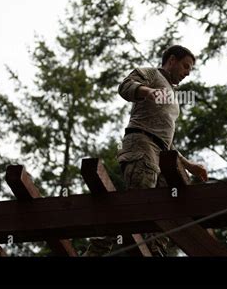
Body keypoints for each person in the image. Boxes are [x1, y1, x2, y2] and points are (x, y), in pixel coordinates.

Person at [82, 45, 208, 257]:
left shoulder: (172, 96)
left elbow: (166, 142)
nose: (187, 72)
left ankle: (155, 253)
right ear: (171, 60)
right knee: (137, 203)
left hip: (160, 152)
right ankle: (96, 252)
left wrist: (188, 165)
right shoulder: (151, 74)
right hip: (141, 145)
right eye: (186, 66)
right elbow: (125, 86)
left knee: (163, 208)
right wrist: (148, 92)